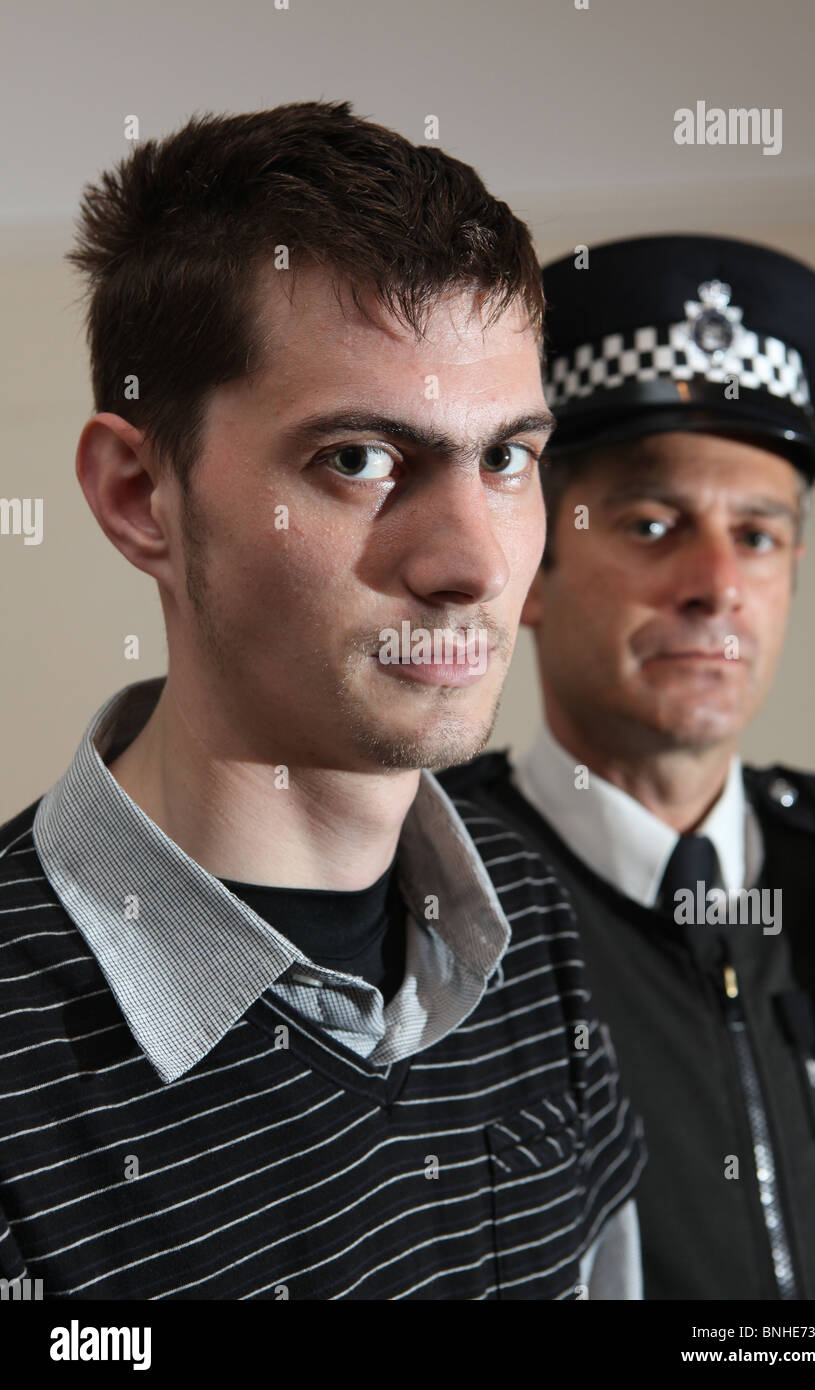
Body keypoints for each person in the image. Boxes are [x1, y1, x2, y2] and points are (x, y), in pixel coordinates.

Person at [0, 103, 645, 1300]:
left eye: (505, 457)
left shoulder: (532, 925)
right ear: (141, 493)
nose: (473, 562)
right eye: (357, 458)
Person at [438, 233, 815, 1300]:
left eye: (758, 536)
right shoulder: (421, 886)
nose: (715, 583)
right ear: (531, 570)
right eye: (651, 522)